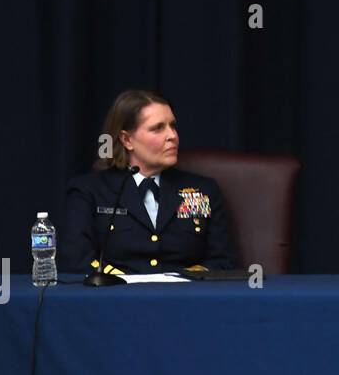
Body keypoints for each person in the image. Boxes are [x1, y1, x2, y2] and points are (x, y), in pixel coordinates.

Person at [60, 89, 236, 275]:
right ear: (127, 140)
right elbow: (75, 259)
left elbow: (223, 261)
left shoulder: (203, 190)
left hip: (183, 297)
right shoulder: (89, 191)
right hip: (117, 297)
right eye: (158, 128)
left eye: (173, 126)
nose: (172, 136)